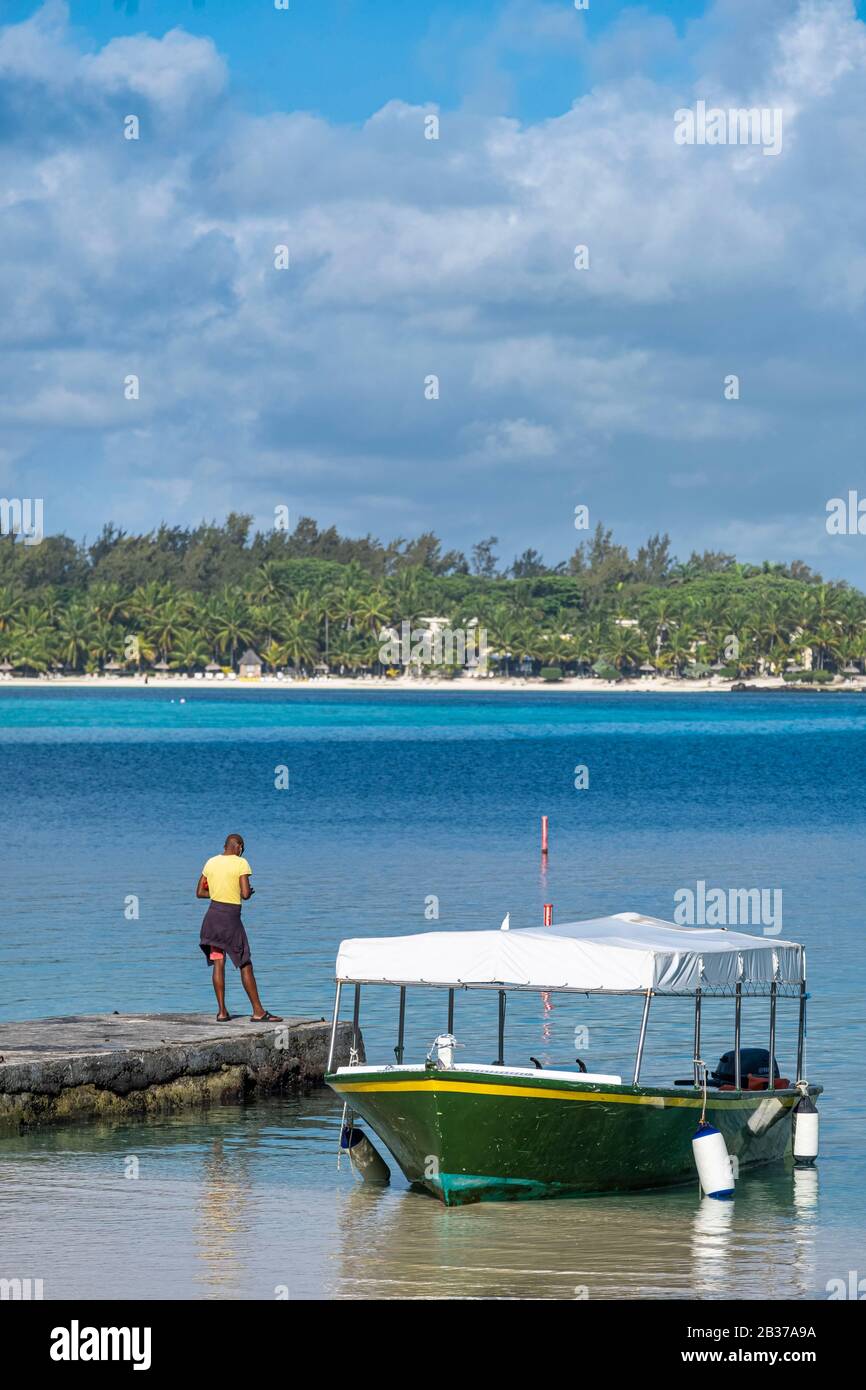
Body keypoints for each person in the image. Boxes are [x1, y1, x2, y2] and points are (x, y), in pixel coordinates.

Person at [196, 833, 282, 1023]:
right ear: (239, 847)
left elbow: (200, 892)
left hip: (211, 919)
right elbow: (244, 893)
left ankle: (222, 1012)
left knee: (219, 963)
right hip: (230, 920)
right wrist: (246, 892)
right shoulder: (241, 863)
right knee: (245, 962)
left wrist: (218, 889)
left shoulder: (210, 862)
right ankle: (258, 1012)